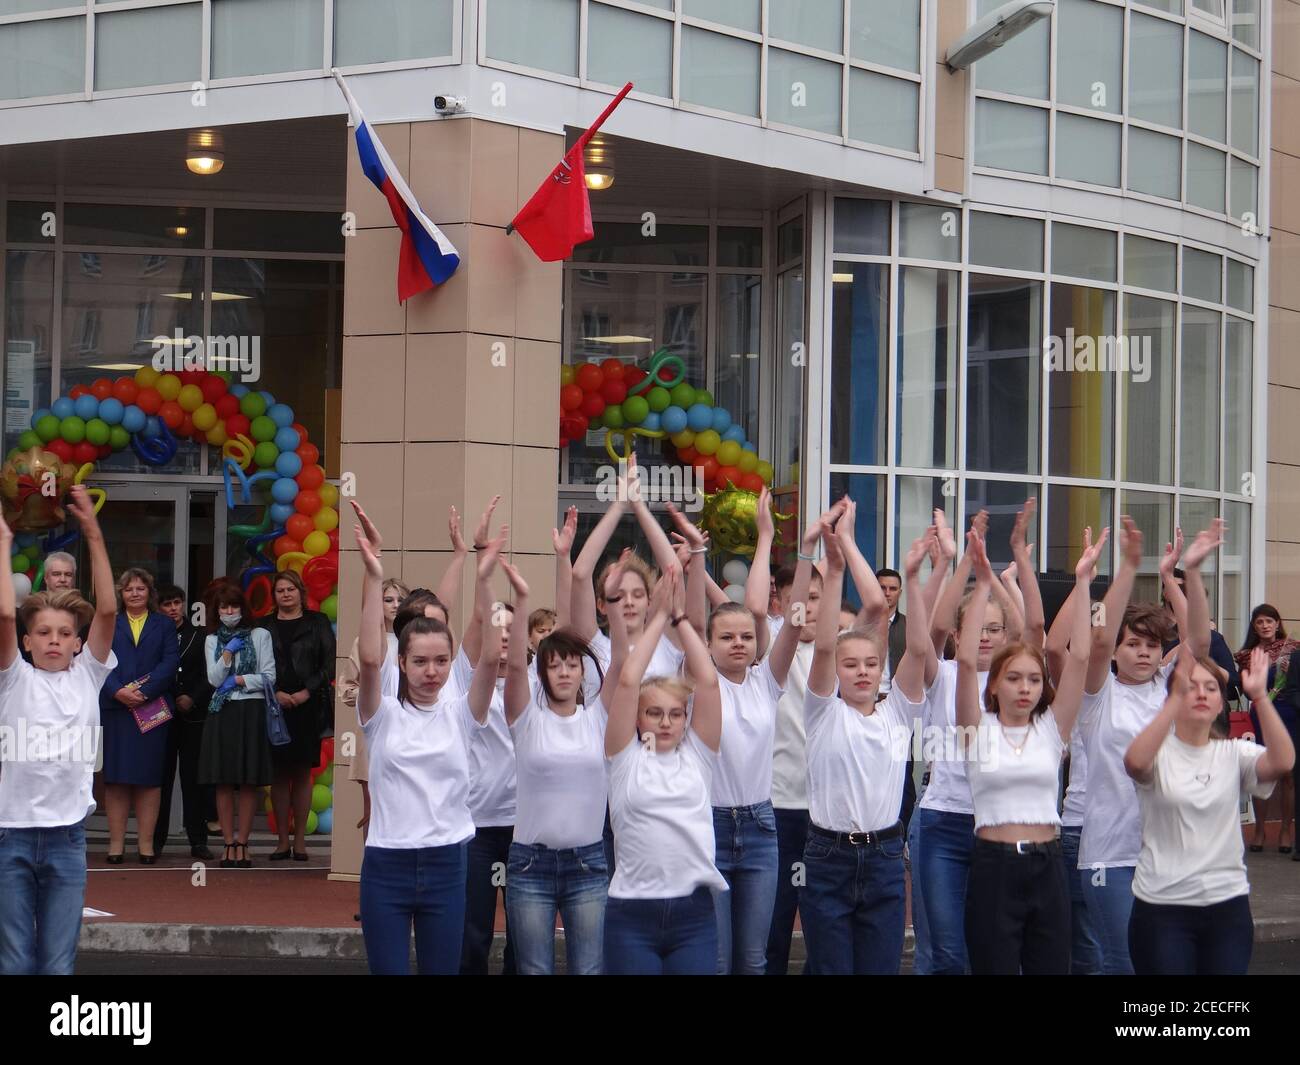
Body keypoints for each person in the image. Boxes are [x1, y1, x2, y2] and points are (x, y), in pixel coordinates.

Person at [353, 500, 500, 975]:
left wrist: (483, 571)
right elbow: (370, 658)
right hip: (386, 866)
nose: (432, 671)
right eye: (420, 662)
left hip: (447, 864)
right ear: (402, 662)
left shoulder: (462, 712)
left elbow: (491, 654)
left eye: (441, 661)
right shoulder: (381, 714)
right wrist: (374, 573)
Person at [956, 522, 1104, 974]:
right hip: (992, 868)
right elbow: (964, 660)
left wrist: (1082, 584)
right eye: (1015, 678)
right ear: (995, 685)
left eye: (1035, 680)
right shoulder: (974, 730)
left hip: (1047, 864)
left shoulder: (1051, 729)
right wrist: (983, 584)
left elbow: (1079, 657)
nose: (1025, 688)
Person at [1078, 517, 1218, 975]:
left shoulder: (1168, 687)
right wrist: (1128, 566)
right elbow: (1098, 640)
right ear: (1119, 651)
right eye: (1134, 643)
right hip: (1110, 854)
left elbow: (1198, 638)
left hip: (1168, 854)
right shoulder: (1098, 696)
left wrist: (1178, 576)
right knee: (1123, 962)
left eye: (1153, 645)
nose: (1144, 652)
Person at [799, 505, 931, 975]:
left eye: (870, 665)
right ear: (837, 669)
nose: (860, 672)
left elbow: (917, 648)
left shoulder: (898, 711)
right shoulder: (821, 710)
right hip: (826, 856)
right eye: (850, 664)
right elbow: (824, 644)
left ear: (881, 671)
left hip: (884, 858)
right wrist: (834, 568)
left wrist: (912, 579)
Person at [691, 487, 807, 975]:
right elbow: (701, 614)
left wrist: (773, 540)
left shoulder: (767, 680)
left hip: (761, 827)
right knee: (716, 960)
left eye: (745, 637)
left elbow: (777, 616)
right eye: (726, 637)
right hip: (710, 825)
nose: (739, 643)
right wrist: (695, 559)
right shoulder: (699, 680)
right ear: (708, 643)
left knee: (753, 960)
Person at [0, 487, 116, 975]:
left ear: (77, 642)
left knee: (56, 963)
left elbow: (107, 610)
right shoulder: (13, 677)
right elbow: (5, 612)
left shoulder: (90, 674)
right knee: (15, 960)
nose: (54, 640)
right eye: (44, 632)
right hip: (11, 837)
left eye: (65, 633)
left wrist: (92, 532)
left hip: (68, 838)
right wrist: (3, 543)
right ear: (26, 641)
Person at [1125, 643, 1294, 974]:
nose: (1201, 693)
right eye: (1190, 686)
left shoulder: (1233, 754)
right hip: (1162, 907)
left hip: (1226, 906)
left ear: (1220, 702)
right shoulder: (1158, 752)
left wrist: (1259, 696)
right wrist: (1173, 697)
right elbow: (1134, 762)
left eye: (1211, 687)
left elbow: (1283, 760)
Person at [603, 564, 729, 975]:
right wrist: (658, 616)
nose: (666, 721)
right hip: (632, 914)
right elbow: (626, 681)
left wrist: (680, 618)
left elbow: (707, 681)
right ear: (638, 718)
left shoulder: (698, 756)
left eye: (676, 714)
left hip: (693, 914)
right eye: (654, 712)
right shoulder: (623, 759)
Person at [503, 551, 617, 976]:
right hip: (530, 865)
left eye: (572, 664)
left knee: (589, 969)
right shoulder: (526, 719)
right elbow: (515, 664)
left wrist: (620, 607)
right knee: (534, 969)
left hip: (588, 864)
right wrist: (521, 600)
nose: (565, 672)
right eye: (554, 665)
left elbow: (622, 665)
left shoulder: (598, 718)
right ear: (543, 673)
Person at [99, 567, 179, 863]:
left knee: (149, 779)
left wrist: (143, 692)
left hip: (151, 707)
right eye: (129, 588)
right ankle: (116, 845)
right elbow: (97, 660)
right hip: (116, 709)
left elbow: (169, 662)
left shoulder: (164, 625)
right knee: (117, 780)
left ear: (149, 592)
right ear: (121, 593)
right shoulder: (108, 622)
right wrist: (117, 691)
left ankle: (145, 845)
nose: (134, 593)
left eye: (140, 588)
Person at [198, 582, 276, 868]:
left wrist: (241, 680)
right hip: (223, 709)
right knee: (223, 779)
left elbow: (268, 677)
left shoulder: (259, 635)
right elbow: (214, 679)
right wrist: (227, 654)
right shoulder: (211, 640)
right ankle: (228, 842)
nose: (230, 612)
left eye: (234, 607)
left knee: (248, 780)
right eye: (224, 607)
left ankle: (243, 841)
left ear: (243, 609)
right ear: (217, 612)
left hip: (251, 709)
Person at [261, 569, 335, 861]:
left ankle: (301, 842)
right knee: (278, 774)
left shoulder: (317, 622)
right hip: (274, 706)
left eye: (290, 589)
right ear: (274, 595)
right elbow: (256, 663)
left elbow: (330, 662)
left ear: (300, 591)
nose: (286, 594)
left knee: (302, 773)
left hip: (308, 705)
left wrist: (307, 691)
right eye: (280, 590)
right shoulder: (264, 626)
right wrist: (276, 692)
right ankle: (281, 841)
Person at [339, 577, 409, 837]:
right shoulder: (364, 641)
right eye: (388, 599)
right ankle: (372, 868)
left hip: (410, 730)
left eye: (400, 600)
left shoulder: (415, 639)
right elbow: (346, 689)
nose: (395, 605)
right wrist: (375, 700)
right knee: (373, 809)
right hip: (375, 732)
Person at [155, 585, 215, 860]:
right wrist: (172, 695)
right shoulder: (154, 635)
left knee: (193, 779)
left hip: (194, 714)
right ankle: (155, 840)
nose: (172, 608)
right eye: (167, 603)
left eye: (177, 602)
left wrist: (192, 696)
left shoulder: (201, 636)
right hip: (162, 714)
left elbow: (210, 673)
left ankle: (198, 839)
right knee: (161, 779)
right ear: (159, 607)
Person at [1234, 603, 1299, 853]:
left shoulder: (1292, 649)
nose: (1265, 626)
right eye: (1260, 622)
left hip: (1289, 714)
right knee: (1260, 771)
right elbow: (1244, 686)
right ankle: (1259, 829)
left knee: (1288, 774)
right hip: (1261, 713)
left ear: (1277, 623)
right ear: (1254, 626)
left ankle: (1284, 830)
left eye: (1269, 621)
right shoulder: (1246, 655)